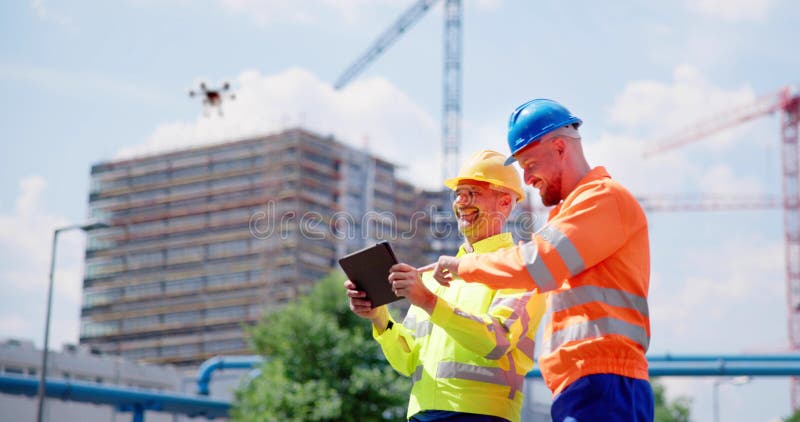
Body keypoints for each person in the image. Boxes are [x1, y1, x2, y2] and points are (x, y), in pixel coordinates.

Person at [421, 99, 654, 421]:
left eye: (529, 164)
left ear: (559, 148)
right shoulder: (574, 211)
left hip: (605, 381)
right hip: (586, 383)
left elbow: (536, 264)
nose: (527, 179)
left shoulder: (602, 198)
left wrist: (463, 266)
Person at [345, 150, 546, 422]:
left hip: (482, 415)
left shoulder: (520, 269)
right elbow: (408, 362)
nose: (461, 202)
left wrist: (428, 301)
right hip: (421, 413)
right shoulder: (433, 277)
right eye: (458, 194)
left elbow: (497, 341)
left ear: (505, 202)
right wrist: (379, 317)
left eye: (473, 193)